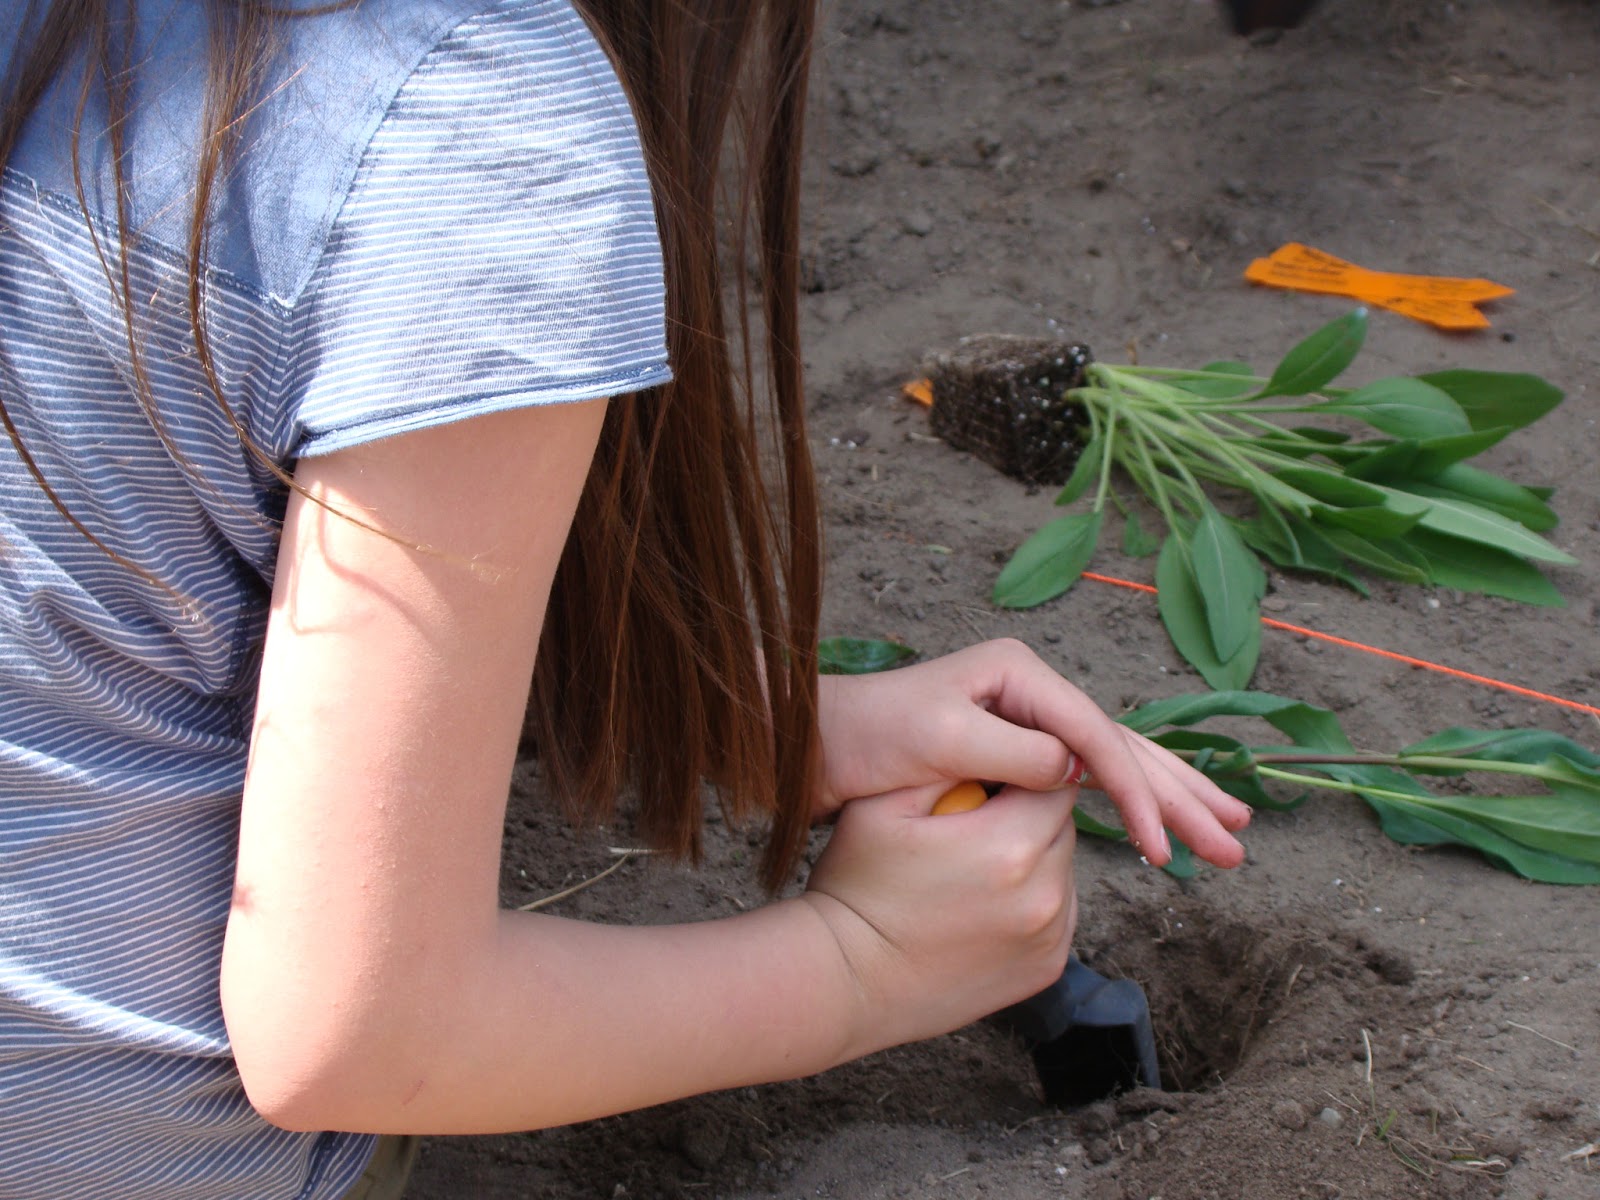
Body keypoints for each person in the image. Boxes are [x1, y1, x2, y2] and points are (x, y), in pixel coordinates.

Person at [0, 0, 1252, 1195]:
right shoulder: (466, 115)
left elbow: (124, 536)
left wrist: (736, 724)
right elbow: (360, 1034)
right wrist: (867, 963)